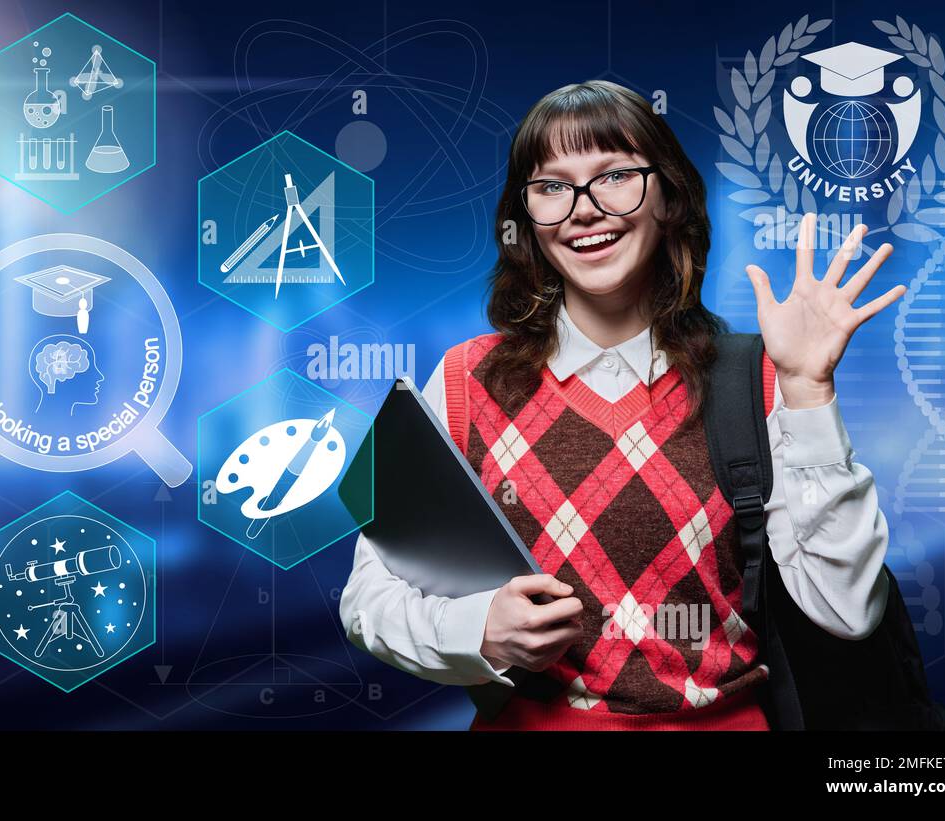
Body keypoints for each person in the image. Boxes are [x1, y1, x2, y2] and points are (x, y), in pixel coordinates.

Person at [339, 81, 906, 730]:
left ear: (669, 198)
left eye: (614, 176)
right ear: (524, 216)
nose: (584, 209)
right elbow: (367, 597)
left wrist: (808, 389)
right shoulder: (466, 379)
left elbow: (848, 609)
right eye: (552, 186)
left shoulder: (757, 379)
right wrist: (478, 629)